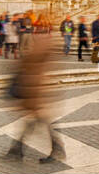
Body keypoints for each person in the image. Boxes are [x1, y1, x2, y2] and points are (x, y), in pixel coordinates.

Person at [6, 32, 65, 163]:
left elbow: (28, 75)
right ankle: (17, 150)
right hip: (34, 96)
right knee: (33, 123)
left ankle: (57, 150)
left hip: (36, 97)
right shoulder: (37, 57)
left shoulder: (35, 57)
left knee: (38, 123)